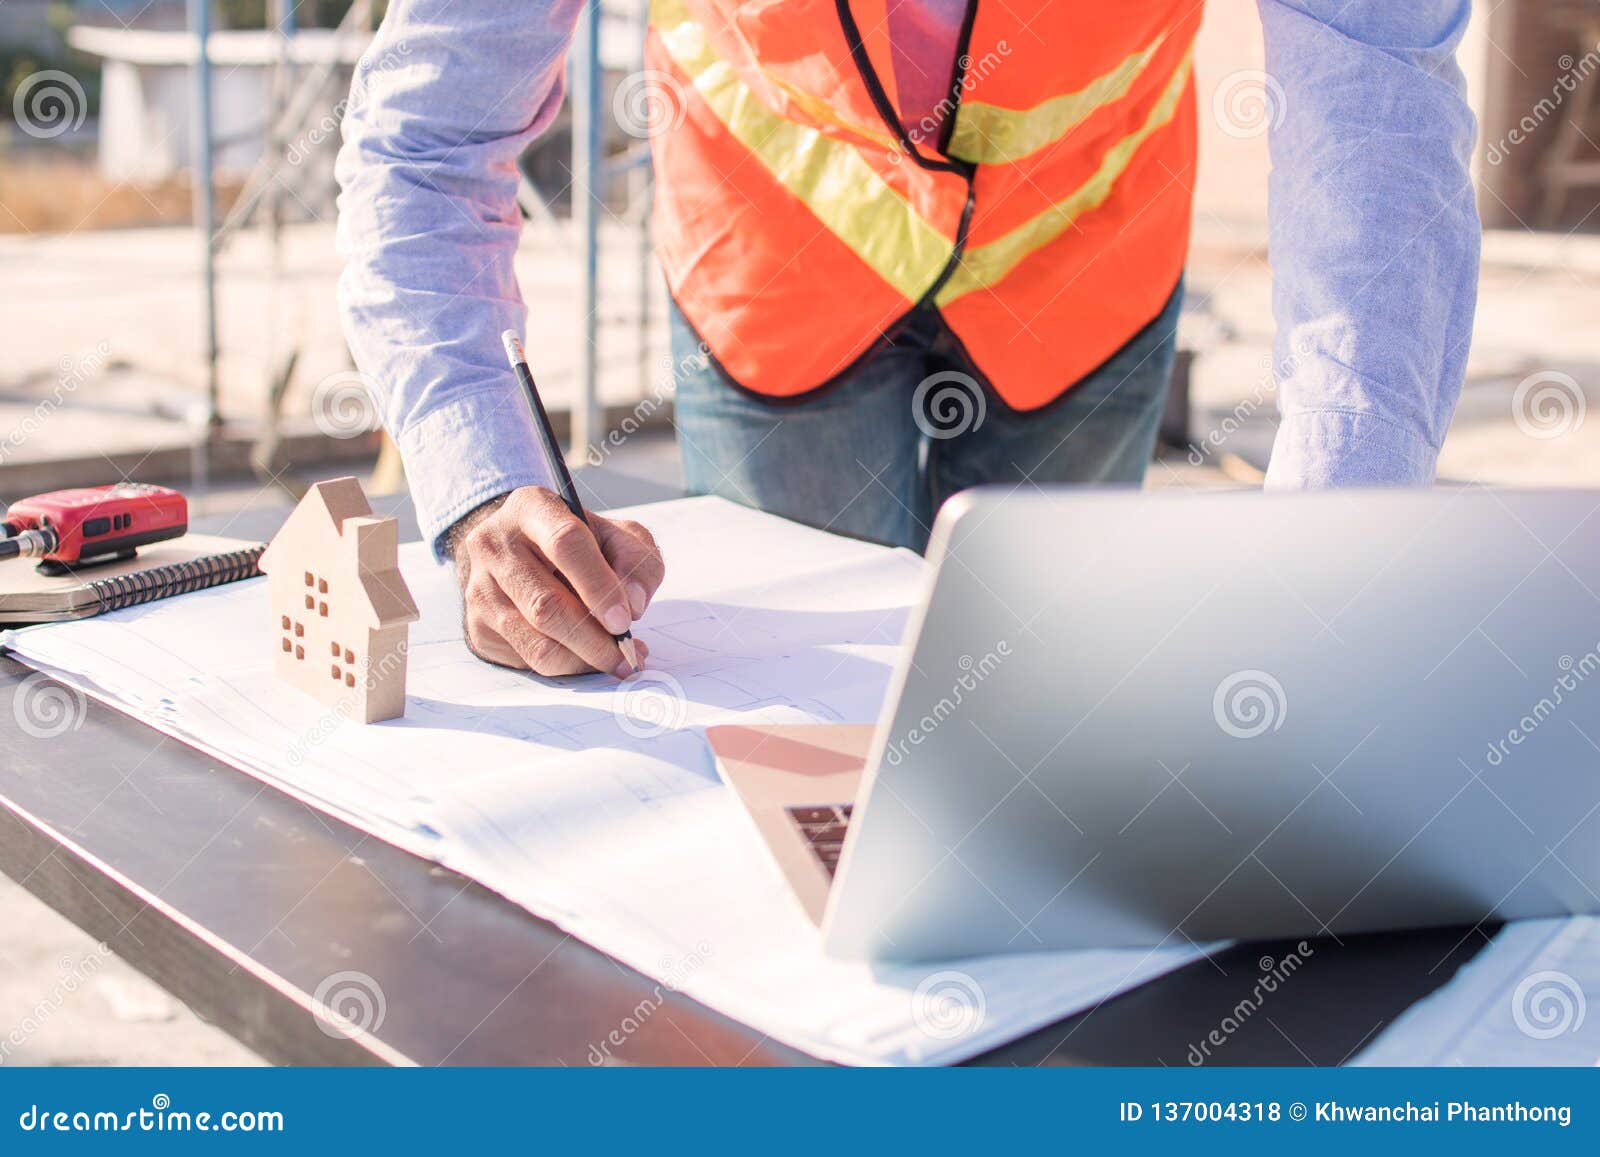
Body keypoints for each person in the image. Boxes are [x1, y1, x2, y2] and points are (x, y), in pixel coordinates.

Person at [335, 1, 1480, 677]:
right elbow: (424, 146)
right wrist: (484, 482)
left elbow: (1374, 106)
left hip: (1083, 247)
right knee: (793, 737)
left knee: (1048, 701)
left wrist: (1338, 544)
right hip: (775, 244)